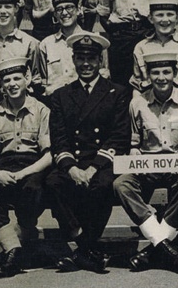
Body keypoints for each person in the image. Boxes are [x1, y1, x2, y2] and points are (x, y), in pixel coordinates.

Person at [45, 33, 131, 273]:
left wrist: (93, 168)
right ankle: (85, 244)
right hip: (72, 161)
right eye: (80, 58)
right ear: (73, 60)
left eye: (91, 58)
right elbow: (59, 138)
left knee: (102, 185)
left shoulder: (117, 92)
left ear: (100, 61)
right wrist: (72, 168)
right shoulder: (61, 95)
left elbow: (119, 136)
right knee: (53, 182)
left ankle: (82, 251)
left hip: (101, 162)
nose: (85, 64)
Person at [113, 51, 178, 272]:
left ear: (175, 73)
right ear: (148, 76)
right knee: (121, 184)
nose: (161, 77)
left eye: (166, 72)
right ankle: (164, 243)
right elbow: (133, 143)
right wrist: (134, 155)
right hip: (148, 165)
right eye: (155, 73)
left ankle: (154, 246)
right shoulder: (138, 103)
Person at [0, 57, 51, 278]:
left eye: (18, 78)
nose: (13, 84)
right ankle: (13, 247)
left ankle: (14, 244)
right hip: (4, 165)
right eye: (7, 80)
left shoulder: (42, 110)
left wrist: (26, 172)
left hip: (32, 165)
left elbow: (48, 155)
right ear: (1, 85)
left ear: (27, 80)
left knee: (34, 188)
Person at [39, 0, 110, 97]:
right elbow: (44, 81)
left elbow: (104, 75)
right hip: (56, 102)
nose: (64, 13)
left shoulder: (94, 40)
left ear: (78, 10)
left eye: (69, 7)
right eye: (59, 9)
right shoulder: (46, 44)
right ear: (55, 15)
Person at [130, 0, 178, 94]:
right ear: (151, 18)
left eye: (170, 14)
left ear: (177, 17)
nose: (165, 20)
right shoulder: (141, 47)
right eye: (160, 15)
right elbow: (137, 86)